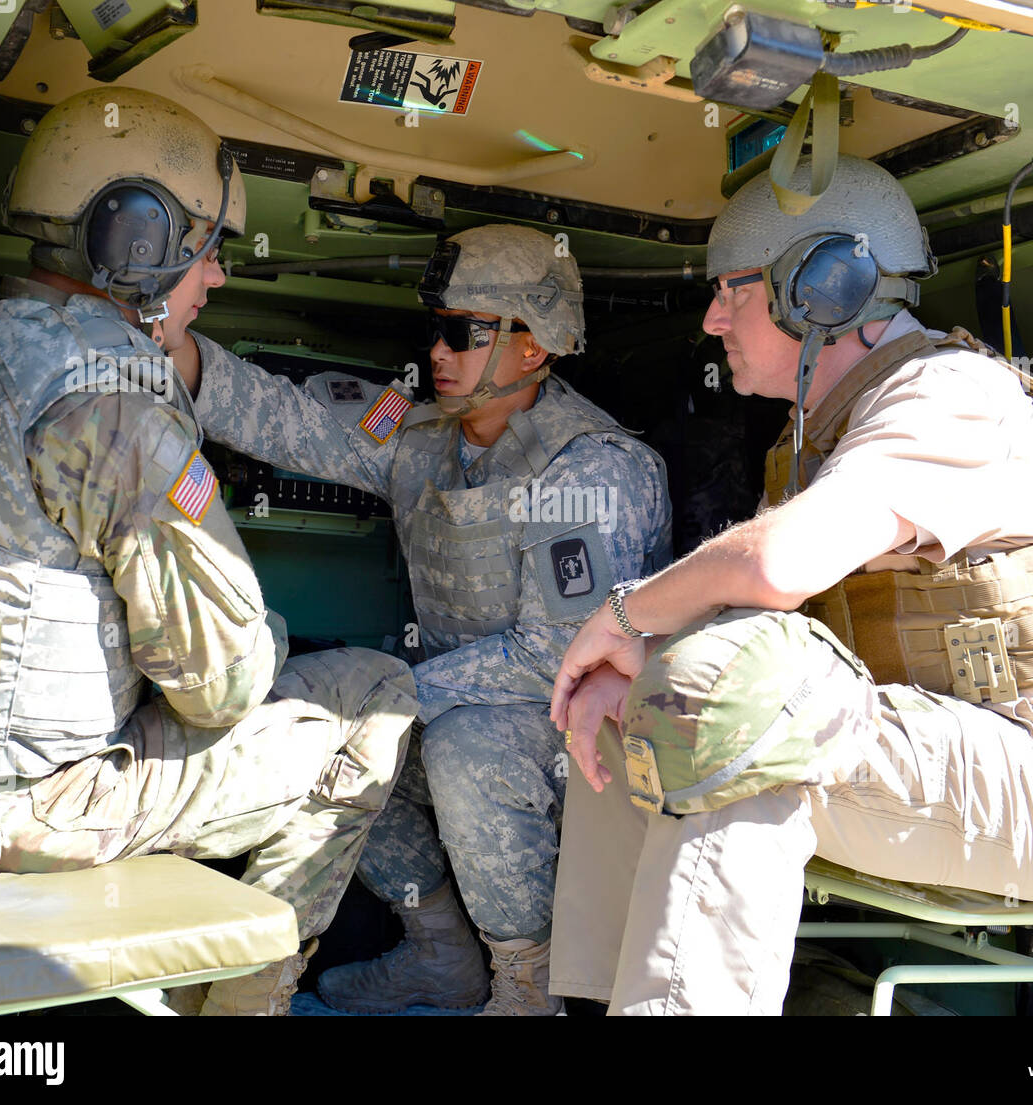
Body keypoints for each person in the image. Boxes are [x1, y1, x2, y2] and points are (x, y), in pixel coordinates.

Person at [549, 154, 1033, 1015]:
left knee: (737, 717)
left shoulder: (949, 394)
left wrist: (623, 613)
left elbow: (774, 566)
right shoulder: (818, 439)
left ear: (821, 290)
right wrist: (634, 654)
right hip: (930, 759)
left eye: (735, 289)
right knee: (633, 710)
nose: (713, 318)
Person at [0, 87, 417, 1017]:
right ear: (137, 240)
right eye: (208, 249)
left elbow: (256, 405)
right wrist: (268, 629)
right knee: (372, 699)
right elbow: (220, 684)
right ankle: (253, 1001)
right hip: (24, 805)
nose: (219, 278)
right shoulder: (116, 401)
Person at [177, 224, 672, 1014]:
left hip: (573, 724)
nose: (436, 351)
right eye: (435, 328)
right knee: (334, 732)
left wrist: (392, 687)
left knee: (453, 742)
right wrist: (177, 353)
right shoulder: (427, 437)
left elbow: (556, 655)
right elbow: (293, 420)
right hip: (460, 701)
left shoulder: (588, 468)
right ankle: (440, 950)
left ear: (534, 348)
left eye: (461, 333)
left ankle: (531, 979)